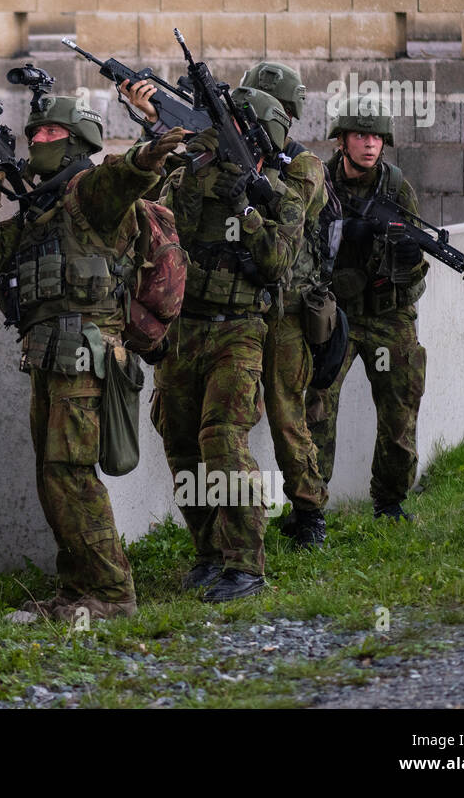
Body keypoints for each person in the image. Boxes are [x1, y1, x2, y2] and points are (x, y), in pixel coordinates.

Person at [0, 91, 187, 622]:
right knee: (53, 473)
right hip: (47, 357)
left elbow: (125, 175)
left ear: (74, 146)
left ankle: (112, 594)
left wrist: (150, 148)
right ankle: (76, 591)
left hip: (85, 357)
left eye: (48, 135)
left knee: (72, 472)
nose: (35, 141)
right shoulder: (41, 211)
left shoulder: (90, 195)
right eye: (33, 133)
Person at [145, 80, 318, 602]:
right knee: (179, 443)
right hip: (183, 330)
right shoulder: (189, 177)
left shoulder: (281, 195)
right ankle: (209, 552)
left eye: (239, 126)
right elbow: (154, 228)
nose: (226, 133)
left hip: (240, 330)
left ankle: (245, 563)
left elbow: (276, 263)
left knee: (221, 438)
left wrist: (245, 205)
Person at [307, 111, 427, 521]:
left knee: (401, 406)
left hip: (388, 313)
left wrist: (410, 260)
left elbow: (414, 263)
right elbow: (302, 247)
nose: (370, 144)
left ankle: (390, 502)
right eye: (360, 136)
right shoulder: (318, 183)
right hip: (334, 313)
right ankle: (310, 509)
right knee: (317, 406)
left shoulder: (396, 187)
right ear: (342, 140)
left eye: (377, 137)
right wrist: (342, 236)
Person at [241, 62, 331, 550]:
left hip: (288, 309)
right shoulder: (235, 157)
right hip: (240, 305)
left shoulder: (303, 165)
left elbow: (292, 214)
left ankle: (310, 512)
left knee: (284, 410)